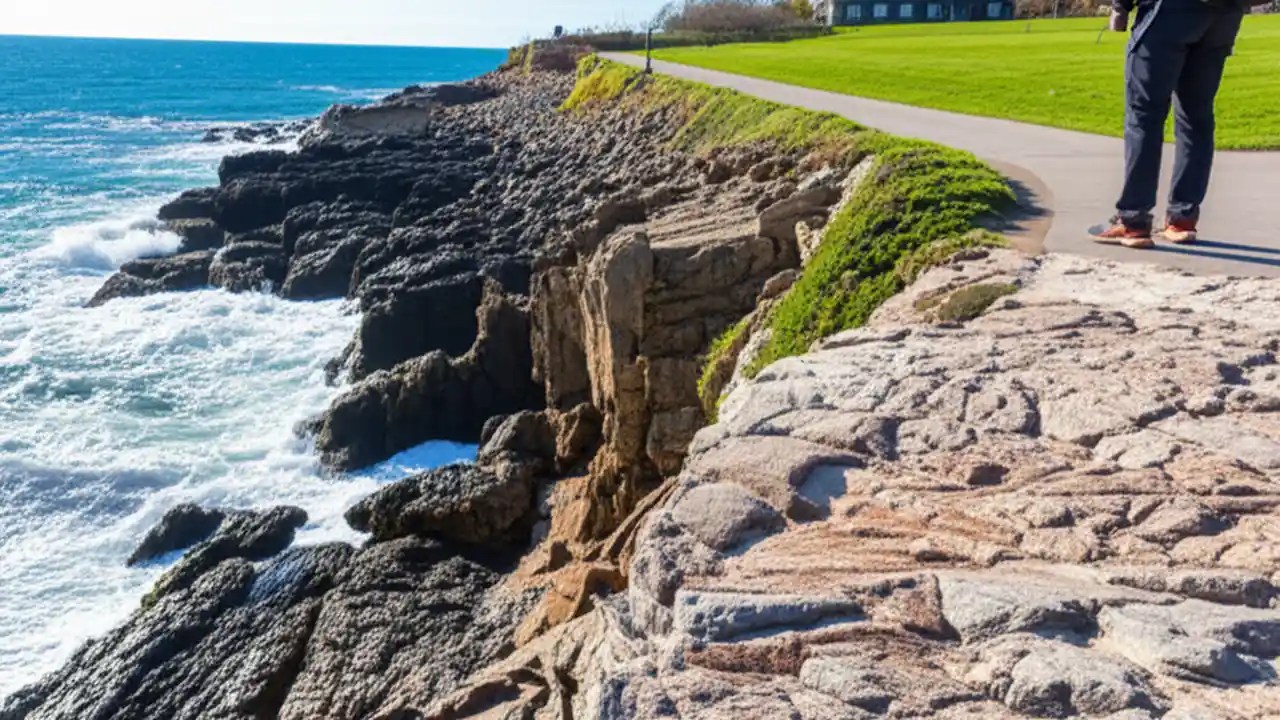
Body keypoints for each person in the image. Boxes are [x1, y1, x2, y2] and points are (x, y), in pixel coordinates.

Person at [1090, 0, 1248, 248]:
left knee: (1144, 116)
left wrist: (1119, 7)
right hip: (1224, 14)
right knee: (1196, 117)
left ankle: (1134, 220)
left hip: (1170, 13)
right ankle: (1182, 219)